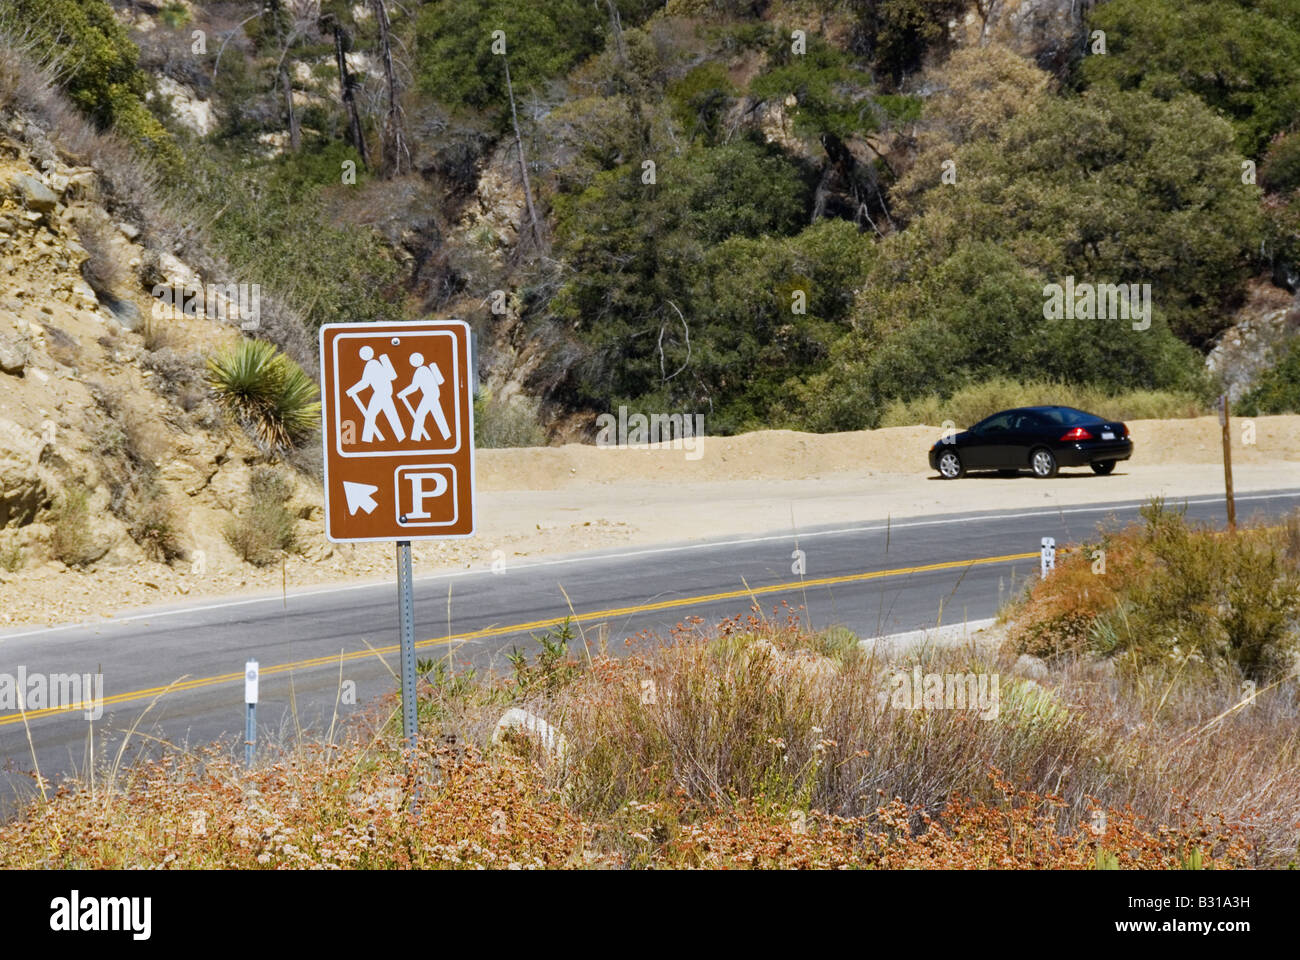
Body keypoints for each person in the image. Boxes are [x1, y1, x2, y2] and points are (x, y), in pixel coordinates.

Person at [345, 345, 406, 443]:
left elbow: (365, 383)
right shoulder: (377, 363)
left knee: (370, 415)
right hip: (386, 392)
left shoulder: (371, 365)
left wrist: (351, 391)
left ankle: (367, 440)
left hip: (380, 393)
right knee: (391, 415)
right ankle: (401, 438)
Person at [397, 352, 451, 442]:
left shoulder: (420, 371)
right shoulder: (425, 369)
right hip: (433, 394)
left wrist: (402, 393)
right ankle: (447, 436)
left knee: (420, 414)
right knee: (438, 415)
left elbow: (414, 387)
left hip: (430, 395)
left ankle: (415, 438)